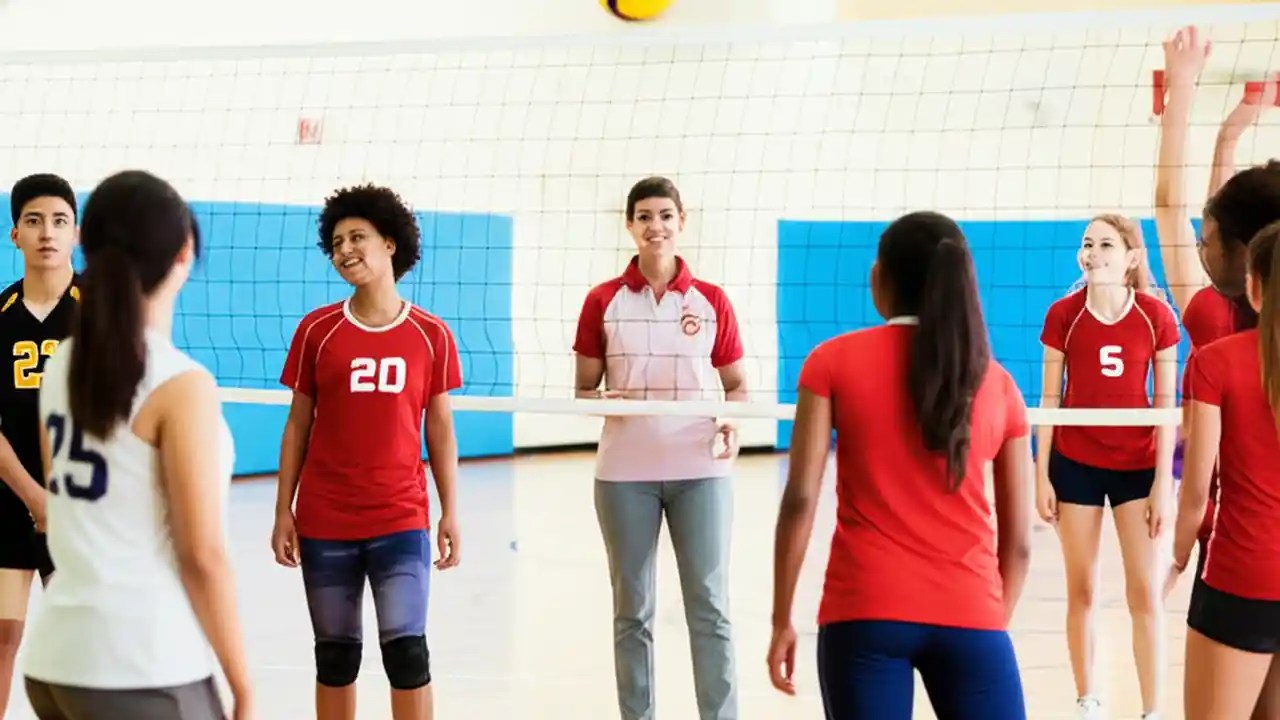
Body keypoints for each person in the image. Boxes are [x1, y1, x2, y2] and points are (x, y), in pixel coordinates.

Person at [768, 210, 1032, 719]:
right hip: (970, 612)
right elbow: (1018, 544)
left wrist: (782, 618)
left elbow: (801, 498)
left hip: (864, 610)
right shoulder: (999, 385)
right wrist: (988, 623)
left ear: (878, 280)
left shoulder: (831, 361)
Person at [21, 169, 253, 719]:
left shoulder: (60, 364)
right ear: (185, 253)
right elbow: (203, 557)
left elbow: (60, 507)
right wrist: (244, 684)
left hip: (55, 662)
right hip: (142, 664)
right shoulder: (181, 385)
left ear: (86, 246)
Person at [273, 183, 462, 720]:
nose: (345, 249)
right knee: (335, 657)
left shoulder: (431, 335)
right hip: (325, 517)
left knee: (407, 654)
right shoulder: (316, 331)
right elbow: (297, 425)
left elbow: (441, 429)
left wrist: (450, 512)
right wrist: (282, 510)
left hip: (400, 516)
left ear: (390, 244)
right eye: (336, 242)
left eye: (358, 236)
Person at [573, 175, 747, 720]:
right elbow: (583, 391)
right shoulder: (602, 300)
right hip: (625, 474)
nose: (656, 226)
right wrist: (605, 396)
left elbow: (736, 384)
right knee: (632, 611)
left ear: (682, 221)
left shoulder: (712, 300)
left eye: (665, 216)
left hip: (700, 470)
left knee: (710, 606)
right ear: (630, 225)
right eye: (644, 216)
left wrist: (732, 424)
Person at [1157, 26, 1280, 718]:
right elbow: (1207, 214)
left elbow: (1171, 203)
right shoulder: (1230, 301)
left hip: (1236, 571)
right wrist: (1233, 134)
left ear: (1240, 258)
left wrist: (1183, 90)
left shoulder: (1211, 323)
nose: (1198, 245)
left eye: (1210, 241)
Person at [1035, 213, 1179, 720]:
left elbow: (1167, 409)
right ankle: (1088, 699)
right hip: (1074, 463)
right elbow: (1049, 400)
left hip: (1138, 468)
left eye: (1106, 245)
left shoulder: (1157, 318)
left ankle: (1152, 710)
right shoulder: (1062, 315)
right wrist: (1041, 475)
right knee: (1084, 587)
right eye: (1087, 244)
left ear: (1132, 258)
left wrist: (1165, 483)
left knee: (1145, 592)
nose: (1093, 253)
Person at [1166, 220, 1280, 718]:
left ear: (1252, 287)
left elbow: (1195, 493)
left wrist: (1174, 556)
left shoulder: (1216, 362)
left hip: (1242, 576)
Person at [0, 173, 80, 716]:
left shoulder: (105, 312)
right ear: (15, 236)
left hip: (82, 503)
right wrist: (33, 496)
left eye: (59, 221)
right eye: (33, 221)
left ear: (77, 233)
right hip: (10, 496)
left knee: (87, 645)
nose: (46, 233)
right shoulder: (0, 313)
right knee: (3, 634)